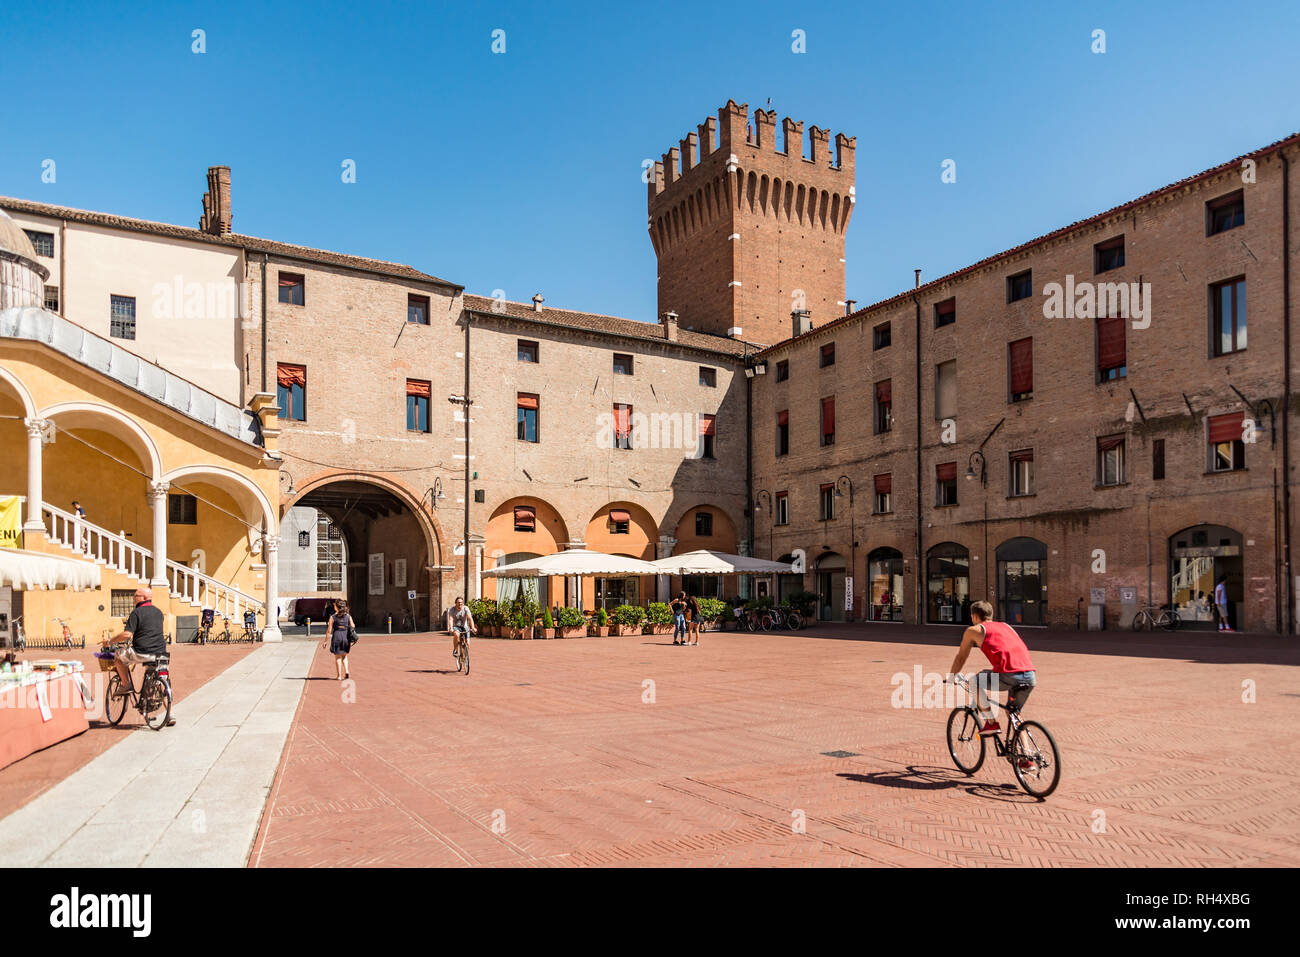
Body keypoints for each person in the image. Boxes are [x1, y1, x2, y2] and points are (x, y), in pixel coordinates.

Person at [946, 600, 1036, 740]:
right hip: (1029, 675)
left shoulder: (973, 630)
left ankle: (991, 723)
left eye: (972, 617)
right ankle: (1026, 755)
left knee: (973, 682)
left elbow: (961, 657)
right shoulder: (1007, 626)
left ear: (975, 617)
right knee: (1014, 713)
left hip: (1008, 675)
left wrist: (952, 677)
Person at [109, 586, 175, 725]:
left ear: (144, 598)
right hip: (160, 653)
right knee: (159, 681)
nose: (134, 598)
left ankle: (126, 685)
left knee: (118, 656)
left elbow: (127, 634)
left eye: (136, 596)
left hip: (142, 652)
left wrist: (111, 641)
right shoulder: (158, 612)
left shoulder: (136, 612)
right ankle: (169, 714)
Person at [326, 599, 354, 680]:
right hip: (346, 637)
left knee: (338, 657)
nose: (333, 606)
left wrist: (325, 641)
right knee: (344, 656)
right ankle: (347, 671)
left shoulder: (332, 617)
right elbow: (353, 626)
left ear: (337, 607)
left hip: (337, 637)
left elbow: (329, 630)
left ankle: (339, 676)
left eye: (334, 605)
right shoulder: (348, 616)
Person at [448, 596, 475, 662]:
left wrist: (473, 627)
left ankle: (464, 656)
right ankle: (455, 650)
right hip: (456, 627)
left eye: (461, 603)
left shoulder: (466, 609)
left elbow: (470, 618)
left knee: (468, 644)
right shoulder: (452, 610)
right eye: (458, 602)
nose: (460, 604)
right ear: (455, 603)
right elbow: (450, 619)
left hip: (464, 627)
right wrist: (451, 628)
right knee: (456, 634)